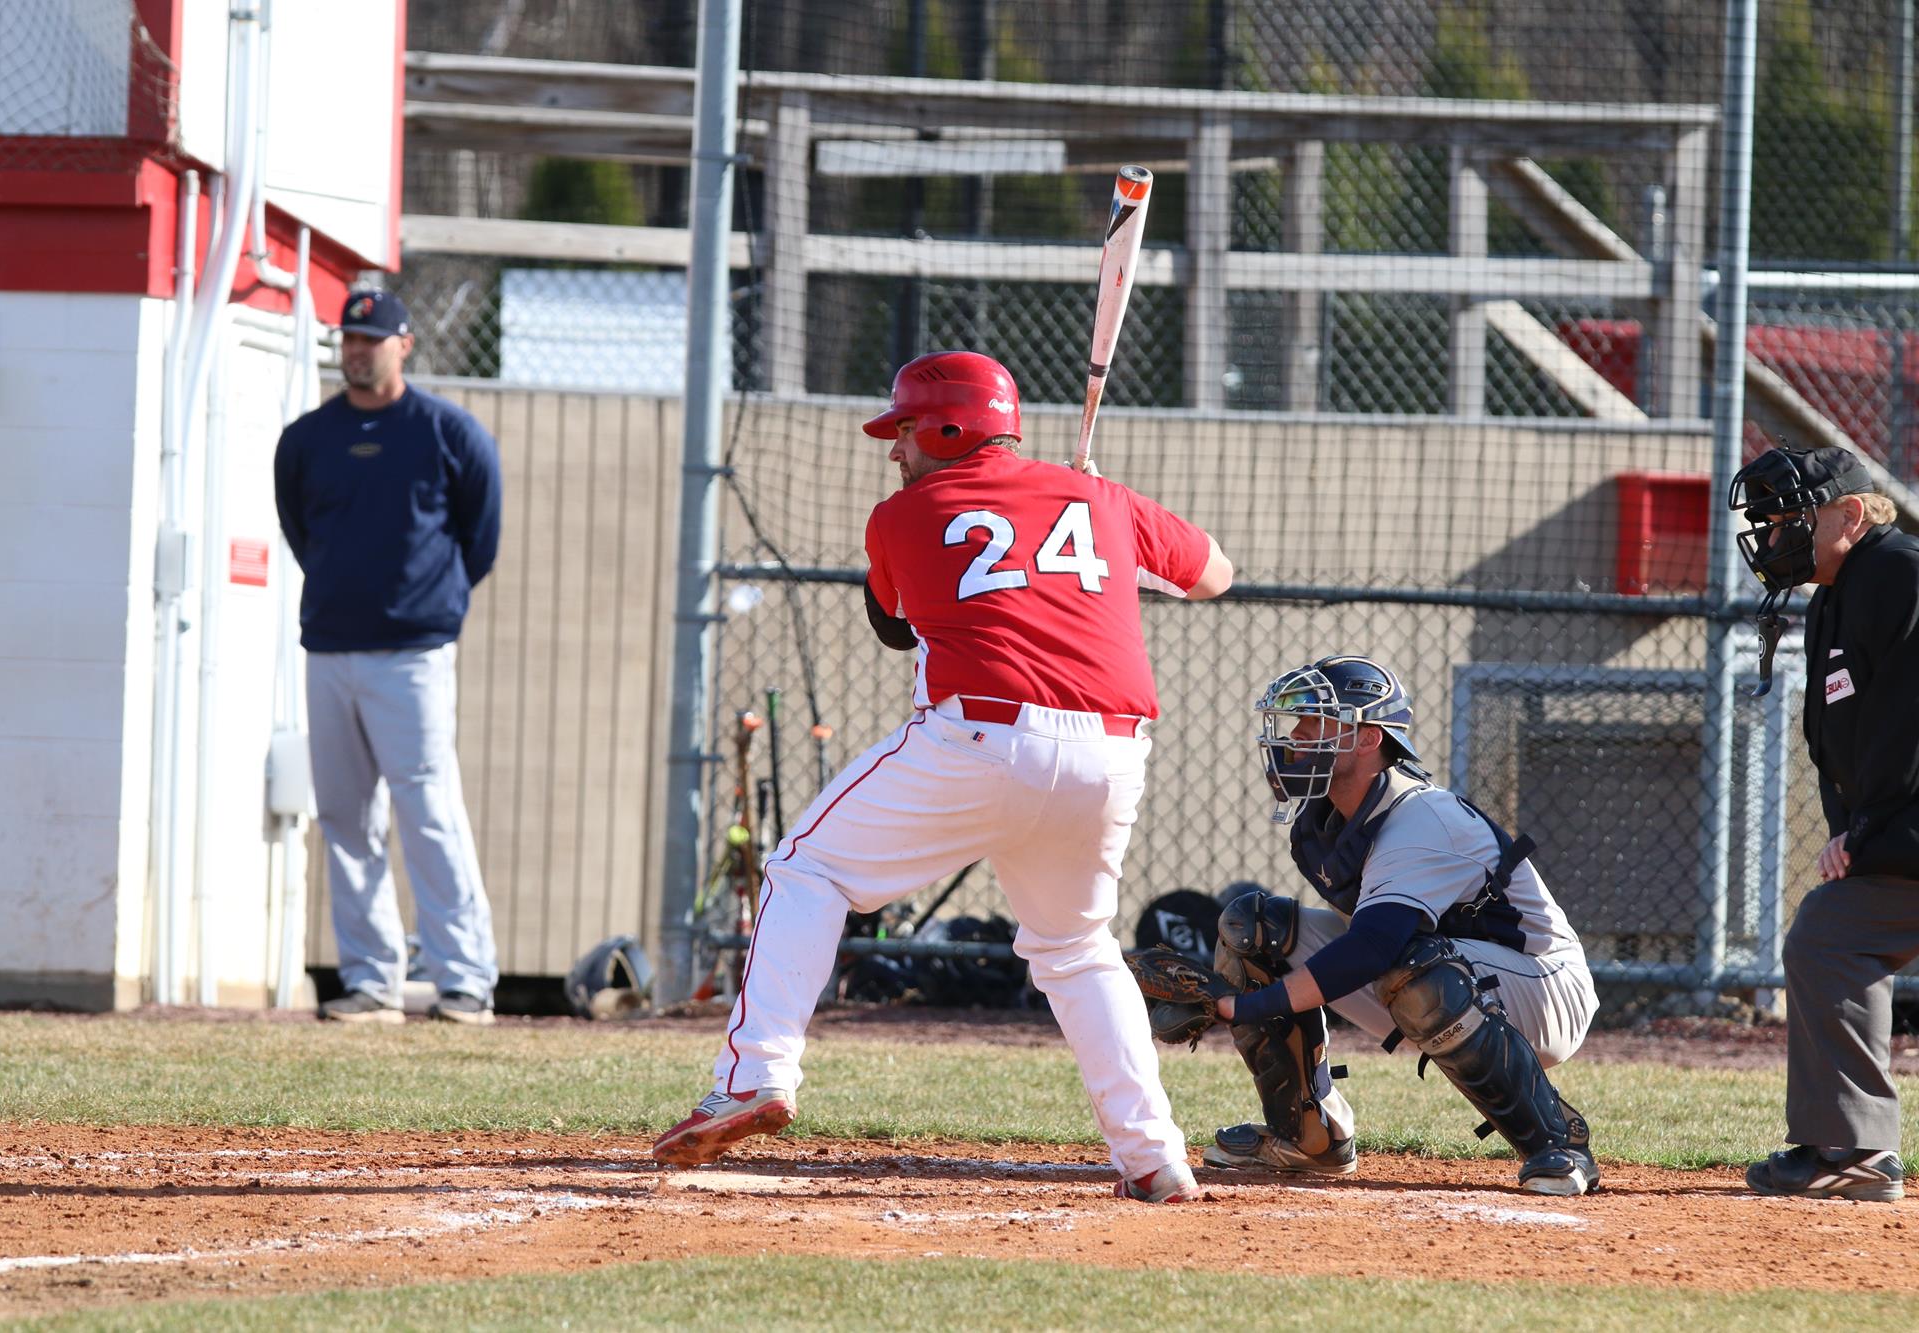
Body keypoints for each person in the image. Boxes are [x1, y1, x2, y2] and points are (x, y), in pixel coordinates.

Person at [652, 350, 1233, 1202]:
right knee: (1077, 948)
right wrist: (1102, 508)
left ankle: (756, 1074)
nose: (896, 449)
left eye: (907, 431)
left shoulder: (902, 515)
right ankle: (1154, 1156)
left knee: (807, 868)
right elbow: (1215, 574)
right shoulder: (1101, 499)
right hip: (1111, 757)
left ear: (951, 428)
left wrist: (1066, 512)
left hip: (981, 741)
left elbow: (893, 624)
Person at [1133, 655, 1601, 1196]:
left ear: (1368, 738)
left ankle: (1557, 1143)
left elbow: (1372, 947)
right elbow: (1362, 946)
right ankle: (1311, 1136)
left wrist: (1240, 1007)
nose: (1296, 736)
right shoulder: (1324, 820)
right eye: (1297, 721)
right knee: (1254, 927)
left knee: (1415, 966)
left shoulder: (1422, 818)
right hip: (1453, 975)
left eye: (1316, 722)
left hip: (1545, 991)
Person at [273, 287, 503, 1026]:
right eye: (349, 338)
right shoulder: (307, 439)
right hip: (329, 648)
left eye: (371, 338)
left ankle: (465, 980)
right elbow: (300, 531)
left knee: (429, 810)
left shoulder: (448, 432)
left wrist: (427, 603)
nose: (357, 350)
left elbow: (480, 538)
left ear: (404, 344)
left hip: (413, 654)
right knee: (345, 817)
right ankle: (371, 981)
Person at [1729, 442, 1918, 1202]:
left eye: (1789, 522)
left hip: (1905, 820)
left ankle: (1854, 1146)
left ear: (1850, 514)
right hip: (1896, 822)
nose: (1776, 539)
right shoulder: (1837, 595)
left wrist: (1867, 829)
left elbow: (1907, 724)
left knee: (1830, 939)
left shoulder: (1900, 574)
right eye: (1770, 526)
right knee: (1833, 935)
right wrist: (1850, 827)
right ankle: (1854, 1144)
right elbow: (1833, 742)